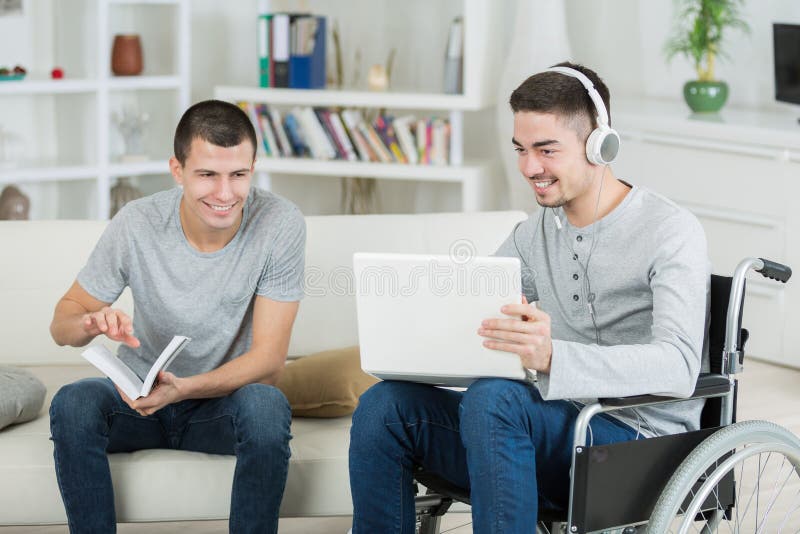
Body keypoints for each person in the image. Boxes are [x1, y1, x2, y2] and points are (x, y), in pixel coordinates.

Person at [348, 62, 710, 533]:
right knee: (385, 407)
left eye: (546, 150)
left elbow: (679, 365)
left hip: (635, 443)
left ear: (599, 144)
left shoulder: (670, 230)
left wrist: (553, 356)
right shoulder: (535, 233)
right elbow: (473, 311)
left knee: (496, 398)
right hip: (540, 433)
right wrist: (413, 333)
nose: (528, 167)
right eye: (521, 149)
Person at [49, 100, 306, 534]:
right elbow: (62, 324)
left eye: (238, 175)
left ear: (252, 169)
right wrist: (89, 324)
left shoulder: (280, 223)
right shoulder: (137, 222)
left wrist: (183, 389)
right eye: (207, 175)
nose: (224, 194)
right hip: (137, 401)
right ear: (177, 170)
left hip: (220, 406)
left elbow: (269, 361)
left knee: (267, 406)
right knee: (73, 403)